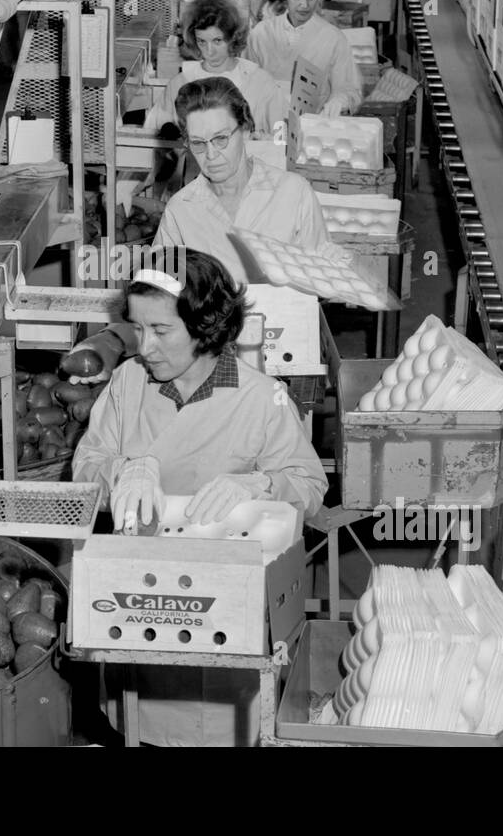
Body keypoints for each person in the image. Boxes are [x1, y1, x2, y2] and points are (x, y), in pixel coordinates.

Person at [71, 247, 328, 746]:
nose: (144, 346)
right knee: (142, 724)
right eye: (137, 328)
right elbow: (84, 469)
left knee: (213, 730)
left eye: (161, 331)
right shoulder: (128, 384)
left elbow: (311, 486)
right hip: (140, 606)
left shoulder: (262, 399)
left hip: (223, 617)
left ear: (206, 326)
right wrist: (125, 470)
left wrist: (263, 485)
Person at [68, 78, 342, 382]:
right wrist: (110, 342)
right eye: (198, 143)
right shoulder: (182, 210)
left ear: (246, 128)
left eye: (221, 139)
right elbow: (155, 301)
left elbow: (321, 285)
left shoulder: (293, 193)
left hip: (286, 366)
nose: (211, 155)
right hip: (209, 374)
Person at [145, 0, 287, 139]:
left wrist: (265, 140)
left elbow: (282, 140)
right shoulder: (180, 83)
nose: (209, 52)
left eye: (217, 41)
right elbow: (155, 136)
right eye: (202, 42)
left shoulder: (260, 82)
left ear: (233, 37)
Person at [245, 0, 364, 118]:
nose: (304, 5)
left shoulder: (333, 39)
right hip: (268, 127)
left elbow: (349, 89)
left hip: (313, 127)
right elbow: (247, 84)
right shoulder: (261, 34)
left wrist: (340, 101)